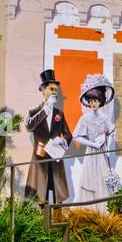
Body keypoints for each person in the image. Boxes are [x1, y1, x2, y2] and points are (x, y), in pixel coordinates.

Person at [70, 73, 118, 210]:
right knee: (90, 179)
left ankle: (102, 209)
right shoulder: (85, 119)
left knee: (102, 180)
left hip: (102, 154)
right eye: (90, 101)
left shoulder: (104, 118)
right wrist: (92, 143)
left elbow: (110, 131)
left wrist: (106, 140)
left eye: (95, 101)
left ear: (100, 101)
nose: (93, 104)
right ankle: (89, 210)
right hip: (91, 153)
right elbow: (76, 136)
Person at [24, 69, 72, 204]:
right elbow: (29, 126)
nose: (54, 92)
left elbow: (68, 134)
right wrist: (45, 110)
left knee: (58, 194)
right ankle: (42, 222)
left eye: (56, 90)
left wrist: (61, 140)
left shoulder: (59, 113)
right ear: (43, 90)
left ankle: (58, 220)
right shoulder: (34, 111)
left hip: (56, 159)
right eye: (51, 89)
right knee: (40, 194)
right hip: (40, 158)